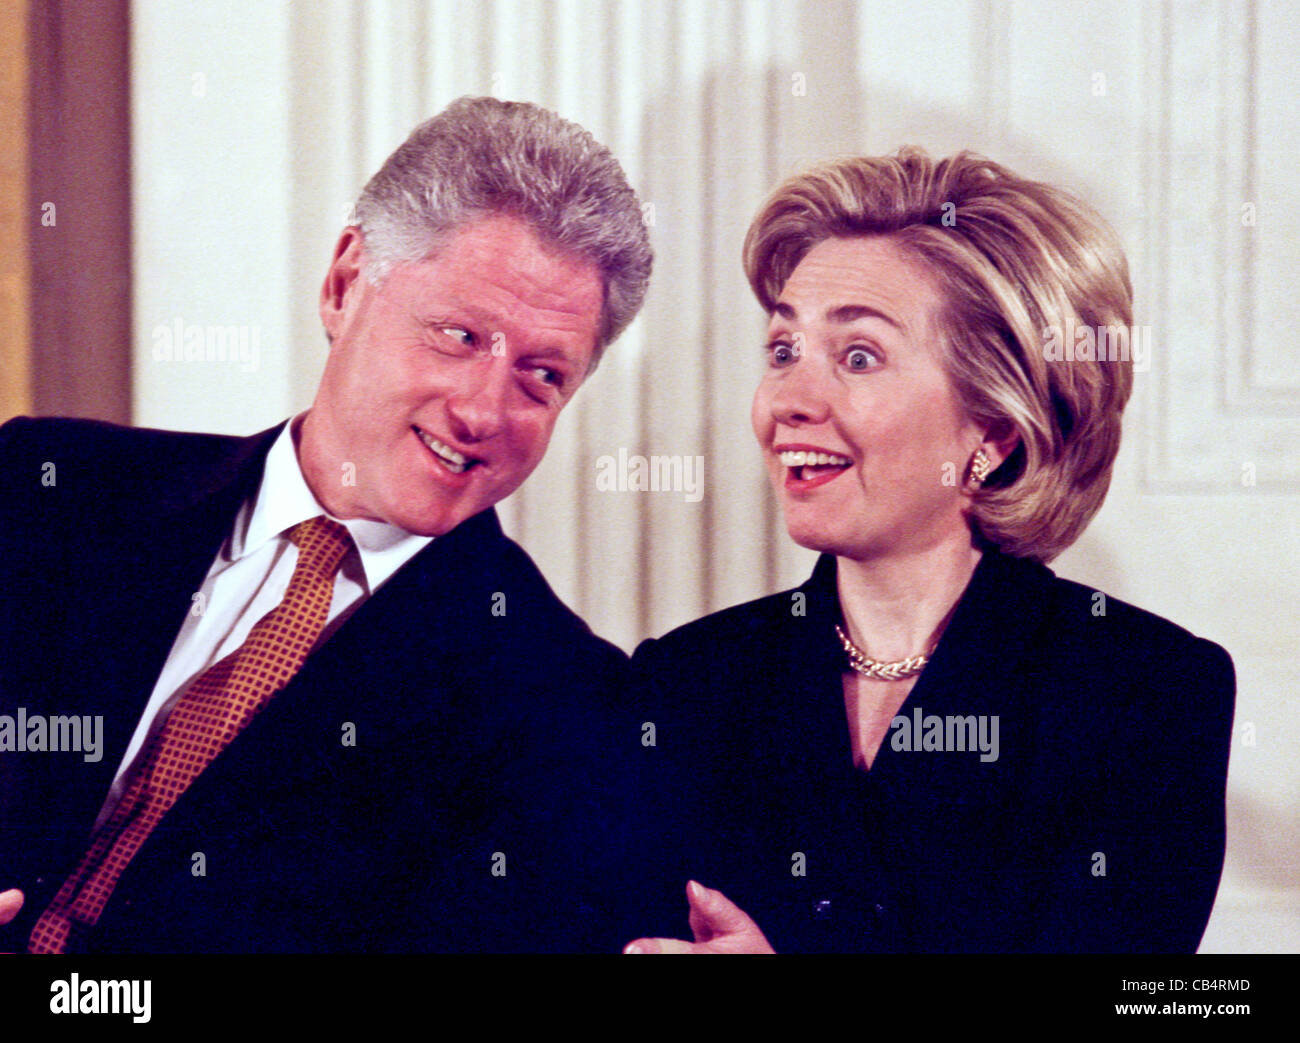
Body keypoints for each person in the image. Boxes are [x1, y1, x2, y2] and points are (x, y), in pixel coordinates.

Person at [0, 96, 652, 953]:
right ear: (346, 284)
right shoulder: (49, 488)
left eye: (541, 376)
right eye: (459, 335)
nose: (483, 410)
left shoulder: (561, 705)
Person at [623, 148, 1235, 954]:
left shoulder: (1144, 693)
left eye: (859, 356)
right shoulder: (684, 685)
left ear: (993, 428)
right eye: (783, 351)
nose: (788, 403)